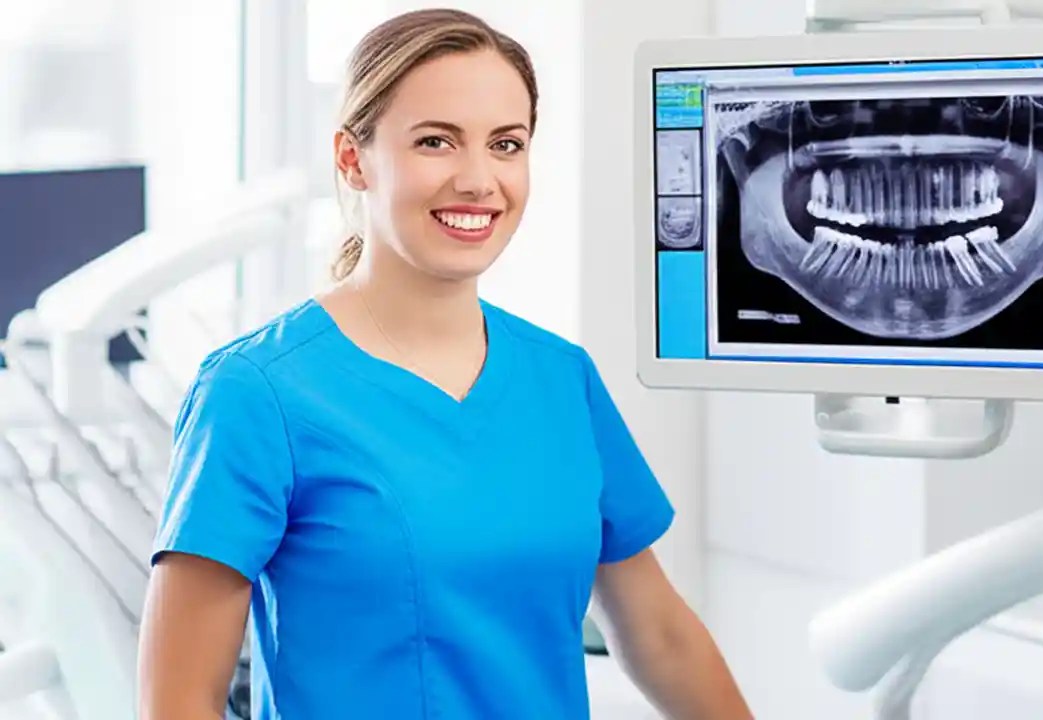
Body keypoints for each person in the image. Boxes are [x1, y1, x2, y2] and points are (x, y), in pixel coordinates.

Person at [136, 8, 752, 720]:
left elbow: (660, 635)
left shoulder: (561, 378)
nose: (479, 180)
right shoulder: (257, 393)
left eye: (506, 144)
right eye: (436, 141)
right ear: (352, 159)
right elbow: (178, 702)